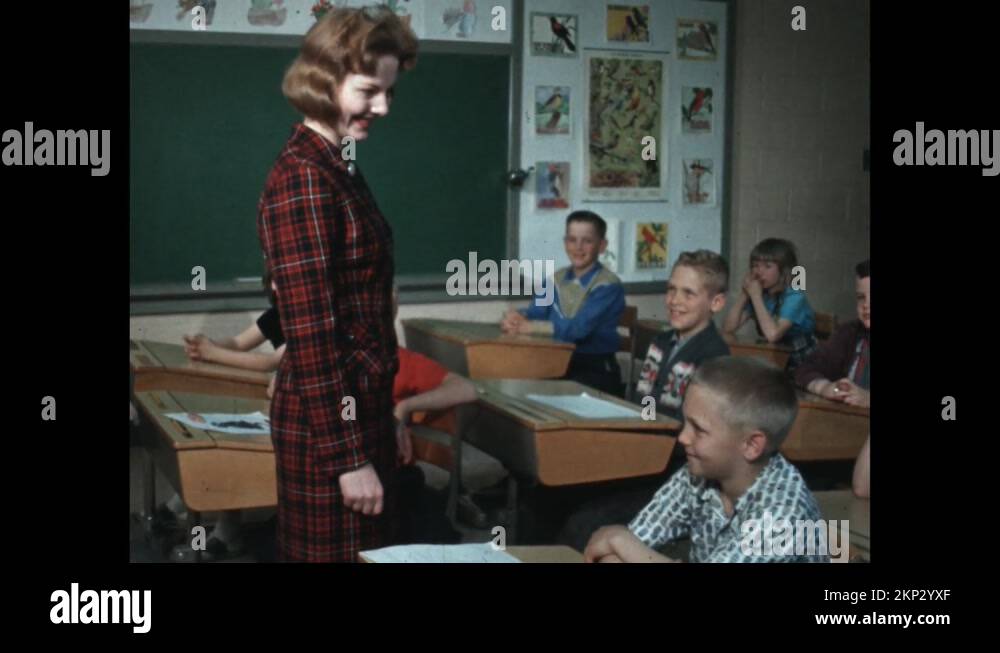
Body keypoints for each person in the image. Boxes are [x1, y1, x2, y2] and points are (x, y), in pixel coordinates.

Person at [256, 6, 418, 562]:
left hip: (358, 414)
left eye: (390, 93)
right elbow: (313, 333)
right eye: (370, 91)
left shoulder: (338, 162)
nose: (383, 107)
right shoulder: (304, 176)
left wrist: (384, 414)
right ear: (324, 80)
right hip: (329, 433)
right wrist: (349, 457)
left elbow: (357, 313)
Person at [558, 250, 730, 551]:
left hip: (673, 474)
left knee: (584, 522)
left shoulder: (714, 358)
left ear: (715, 303)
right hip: (636, 457)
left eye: (688, 293)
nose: (674, 301)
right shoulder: (661, 342)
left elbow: (702, 437)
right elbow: (640, 404)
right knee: (554, 493)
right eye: (671, 289)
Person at [584, 356, 828, 563]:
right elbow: (623, 546)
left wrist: (621, 541)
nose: (682, 437)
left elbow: (624, 544)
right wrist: (622, 547)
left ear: (751, 445)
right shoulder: (698, 472)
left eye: (698, 429)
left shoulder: (782, 513)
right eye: (685, 422)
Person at [501, 210, 626, 395]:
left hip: (594, 368)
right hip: (558, 362)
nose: (578, 247)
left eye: (587, 241)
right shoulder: (556, 279)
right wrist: (518, 317)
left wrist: (531, 327)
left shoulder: (608, 285)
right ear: (565, 243)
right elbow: (537, 311)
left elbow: (578, 329)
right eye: (572, 240)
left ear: (602, 246)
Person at [723, 237, 817, 372]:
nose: (759, 272)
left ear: (784, 271)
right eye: (755, 266)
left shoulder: (795, 297)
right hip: (776, 356)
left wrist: (755, 296)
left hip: (802, 360)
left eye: (767, 266)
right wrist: (745, 294)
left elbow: (773, 335)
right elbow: (728, 329)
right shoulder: (762, 296)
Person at [795, 259, 870, 408]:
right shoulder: (850, 332)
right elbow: (806, 369)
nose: (866, 305)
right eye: (861, 297)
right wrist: (827, 388)